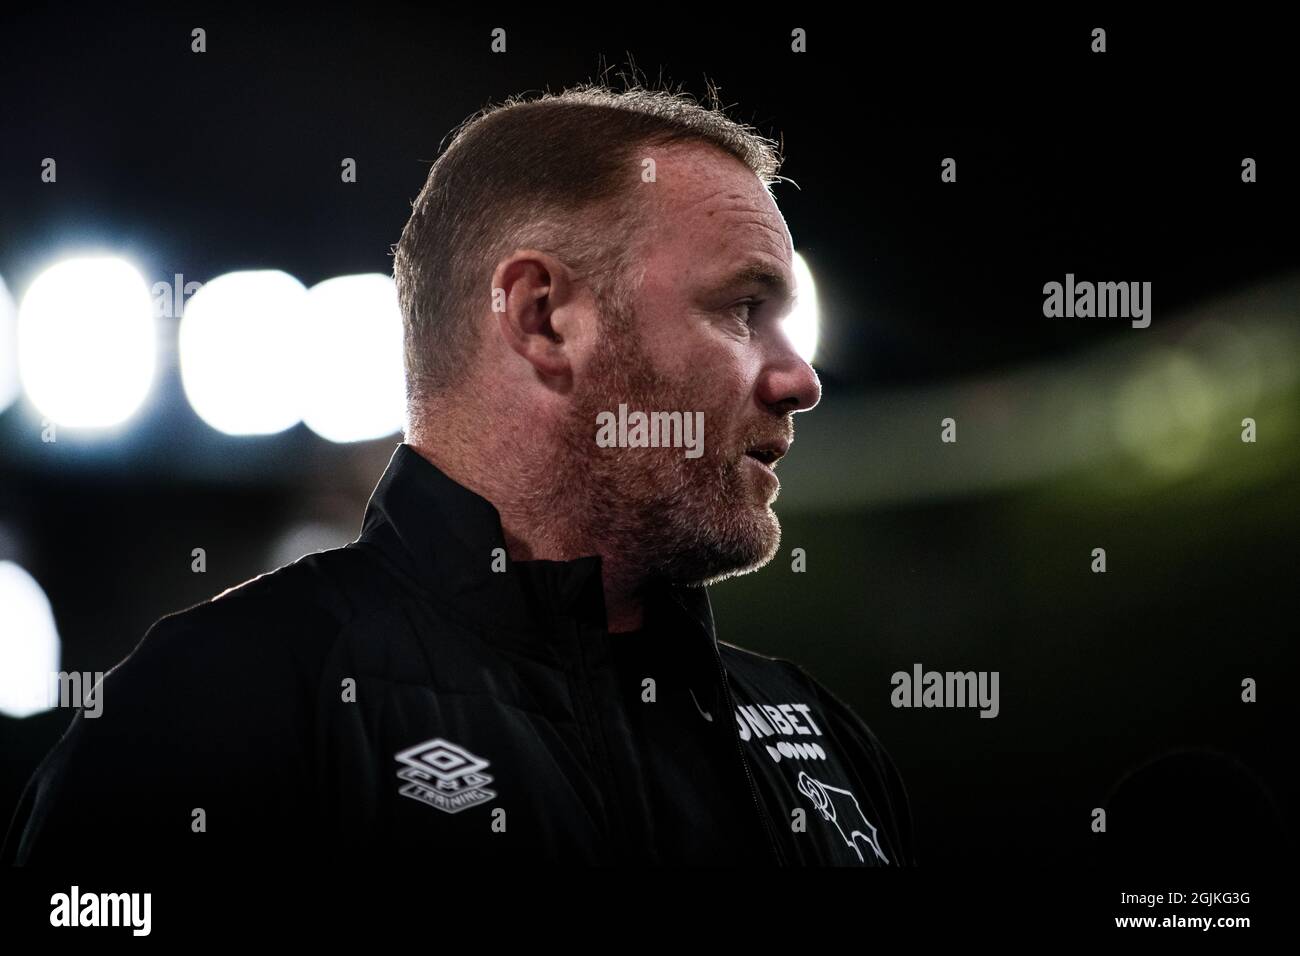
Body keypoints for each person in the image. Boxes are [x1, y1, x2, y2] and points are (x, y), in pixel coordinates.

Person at [3, 83, 914, 866]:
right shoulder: (211, 708)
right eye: (744, 308)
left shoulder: (820, 740)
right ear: (542, 316)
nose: (801, 379)